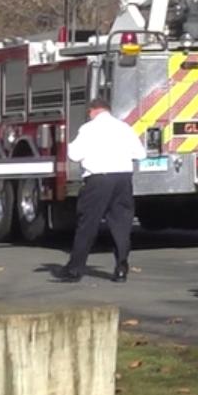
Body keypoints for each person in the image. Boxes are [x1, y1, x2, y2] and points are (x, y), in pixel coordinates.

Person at [50, 97, 145, 283]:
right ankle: (121, 269)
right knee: (121, 225)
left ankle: (75, 269)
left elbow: (74, 155)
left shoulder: (88, 129)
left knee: (88, 224)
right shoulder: (124, 127)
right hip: (123, 179)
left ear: (93, 111)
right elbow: (140, 154)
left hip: (98, 180)